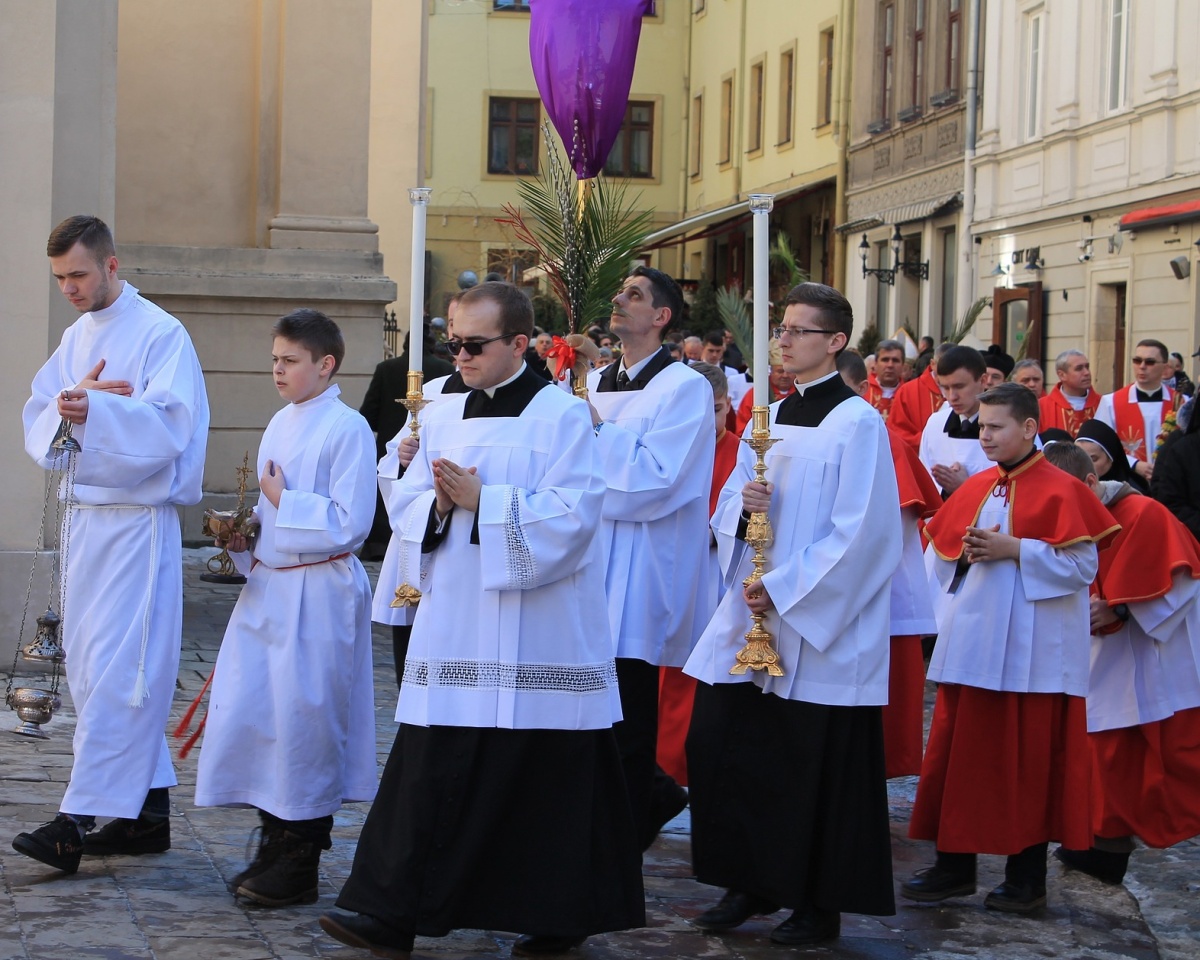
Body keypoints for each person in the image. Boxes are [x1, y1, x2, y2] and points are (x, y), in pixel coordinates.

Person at [320, 282, 643, 958]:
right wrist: (438, 507)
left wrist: (484, 500)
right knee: (431, 767)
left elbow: (578, 517)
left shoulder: (562, 416)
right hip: (459, 620)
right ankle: (390, 912)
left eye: (474, 344)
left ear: (520, 344)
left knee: (546, 777)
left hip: (541, 629)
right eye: (452, 343)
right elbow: (406, 504)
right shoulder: (438, 410)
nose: (458, 355)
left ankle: (558, 917)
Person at [684, 283, 901, 947]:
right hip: (752, 613)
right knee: (728, 746)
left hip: (818, 627)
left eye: (800, 331)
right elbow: (727, 511)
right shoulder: (769, 416)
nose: (784, 339)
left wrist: (783, 589)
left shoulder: (858, 423)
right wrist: (742, 506)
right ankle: (748, 880)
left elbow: (863, 531)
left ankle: (817, 901)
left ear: (835, 343)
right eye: (782, 328)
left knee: (813, 765)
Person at [14, 215, 209, 874]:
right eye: (60, 278)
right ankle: (145, 816)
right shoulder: (76, 336)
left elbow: (171, 429)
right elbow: (41, 413)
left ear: (111, 266)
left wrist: (96, 410)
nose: (68, 288)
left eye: (78, 274)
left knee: (124, 672)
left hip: (134, 522)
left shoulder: (161, 334)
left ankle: (73, 822)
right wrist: (77, 402)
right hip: (86, 523)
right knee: (93, 668)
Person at [901, 383, 1119, 914]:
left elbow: (1082, 568)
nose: (986, 435)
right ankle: (954, 867)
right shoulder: (977, 485)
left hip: (1033, 655)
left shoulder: (1063, 489)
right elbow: (944, 553)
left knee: (1030, 764)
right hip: (975, 645)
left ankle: (1027, 879)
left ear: (1028, 428)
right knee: (960, 760)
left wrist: (1016, 549)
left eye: (996, 426)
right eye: (983, 425)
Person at [194, 309, 377, 906]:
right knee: (264, 717)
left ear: (325, 365)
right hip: (272, 589)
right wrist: (246, 531)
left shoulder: (348, 428)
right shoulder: (281, 419)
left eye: (289, 360)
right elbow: (275, 511)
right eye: (275, 358)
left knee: (306, 721)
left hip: (319, 594)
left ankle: (300, 860)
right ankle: (273, 839)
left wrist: (282, 501)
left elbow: (352, 525)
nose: (277, 369)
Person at [586, 266, 716, 852]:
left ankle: (630, 819)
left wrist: (594, 432)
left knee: (630, 704)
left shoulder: (683, 388)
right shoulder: (592, 382)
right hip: (588, 559)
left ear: (662, 317)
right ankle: (643, 797)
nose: (618, 300)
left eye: (633, 295)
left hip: (642, 561)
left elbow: (655, 483)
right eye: (621, 292)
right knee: (591, 698)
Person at [1043, 441, 1200, 884]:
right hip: (1100, 652)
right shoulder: (1064, 509)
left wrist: (1122, 608)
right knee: (1100, 749)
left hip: (1153, 650)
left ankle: (1108, 844)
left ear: (1092, 484)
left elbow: (1183, 578)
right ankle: (1099, 841)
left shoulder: (1143, 514)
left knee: (1149, 753)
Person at [839, 351, 943, 778]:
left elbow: (888, 526)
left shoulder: (885, 440)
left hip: (879, 596)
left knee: (876, 724)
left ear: (863, 392)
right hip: (838, 592)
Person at [656, 362, 753, 787]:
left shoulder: (745, 453)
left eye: (715, 410)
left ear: (728, 405)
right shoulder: (670, 447)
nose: (706, 421)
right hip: (669, 577)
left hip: (719, 579)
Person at [358, 323, 456, 559]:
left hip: (393, 448)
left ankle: (380, 544)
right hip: (429, 451)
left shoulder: (386, 368)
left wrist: (387, 426)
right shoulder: (444, 368)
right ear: (432, 343)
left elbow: (368, 413)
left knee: (389, 501)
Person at [1095, 338, 1182, 482]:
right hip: (1129, 481)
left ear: (1165, 367)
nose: (1142, 366)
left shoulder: (1181, 403)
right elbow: (1099, 445)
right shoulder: (1110, 402)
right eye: (1137, 360)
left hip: (1172, 481)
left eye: (1150, 362)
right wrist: (1133, 464)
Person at [918, 346, 993, 498]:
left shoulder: (1009, 425)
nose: (952, 396)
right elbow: (924, 481)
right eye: (945, 387)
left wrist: (966, 487)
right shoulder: (935, 424)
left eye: (959, 386)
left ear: (983, 381)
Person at [888, 342, 951, 449]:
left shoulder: (969, 390)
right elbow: (896, 431)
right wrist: (928, 439)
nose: (949, 371)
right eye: (944, 366)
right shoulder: (908, 391)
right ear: (932, 364)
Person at [733, 340, 793, 435]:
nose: (785, 376)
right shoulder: (756, 394)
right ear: (771, 371)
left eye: (789, 371)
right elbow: (743, 430)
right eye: (780, 371)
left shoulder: (801, 392)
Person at [1075, 419, 1150, 494]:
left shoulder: (1133, 493)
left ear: (1110, 459)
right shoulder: (1071, 487)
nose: (1084, 465)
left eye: (1093, 459)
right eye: (1079, 457)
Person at [1039, 349, 1100, 438]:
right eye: (1079, 369)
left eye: (1087, 367)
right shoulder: (1042, 407)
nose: (1087, 373)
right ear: (1062, 375)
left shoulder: (1103, 403)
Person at [866, 338, 905, 420]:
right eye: (885, 360)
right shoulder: (863, 390)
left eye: (895, 360)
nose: (890, 365)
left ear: (903, 366)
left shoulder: (908, 394)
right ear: (875, 364)